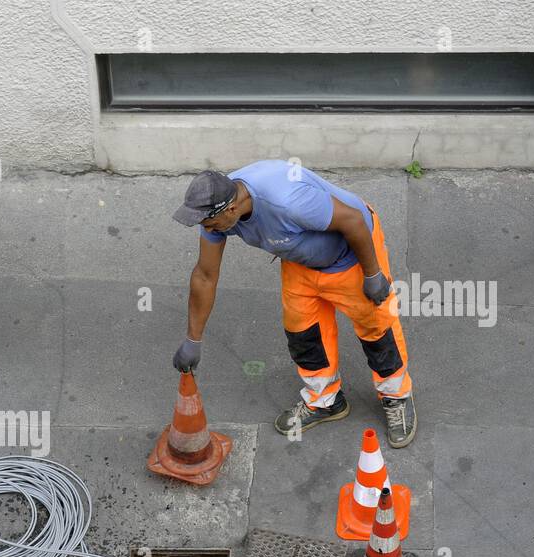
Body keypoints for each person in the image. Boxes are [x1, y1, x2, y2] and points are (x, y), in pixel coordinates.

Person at [172, 161, 417, 448]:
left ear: (230, 210)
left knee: (376, 329)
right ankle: (324, 400)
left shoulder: (287, 202)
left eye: (209, 223)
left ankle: (396, 397)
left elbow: (353, 220)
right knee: (303, 332)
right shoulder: (220, 209)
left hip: (350, 256)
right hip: (299, 258)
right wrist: (193, 339)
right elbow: (205, 275)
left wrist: (372, 274)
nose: (207, 229)